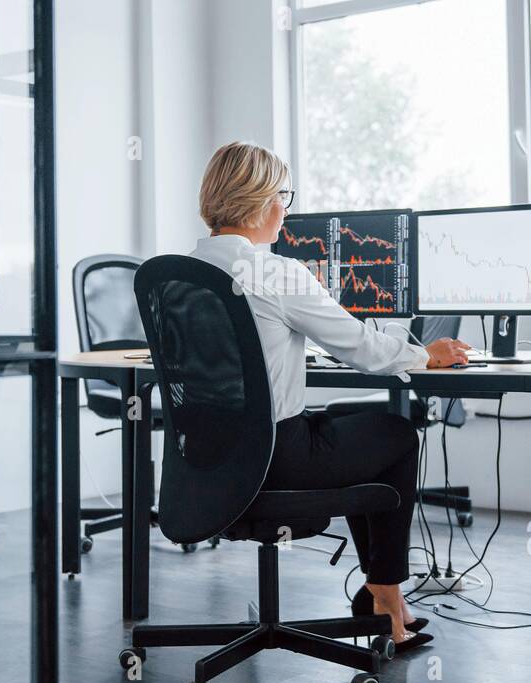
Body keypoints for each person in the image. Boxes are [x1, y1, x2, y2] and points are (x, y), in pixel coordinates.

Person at [191, 141, 470, 649]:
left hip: (210, 462)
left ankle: (382, 594)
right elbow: (361, 348)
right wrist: (424, 355)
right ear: (258, 202)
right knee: (397, 434)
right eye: (283, 196)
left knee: (348, 416)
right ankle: (384, 596)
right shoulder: (274, 271)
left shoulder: (181, 273)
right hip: (274, 459)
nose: (285, 210)